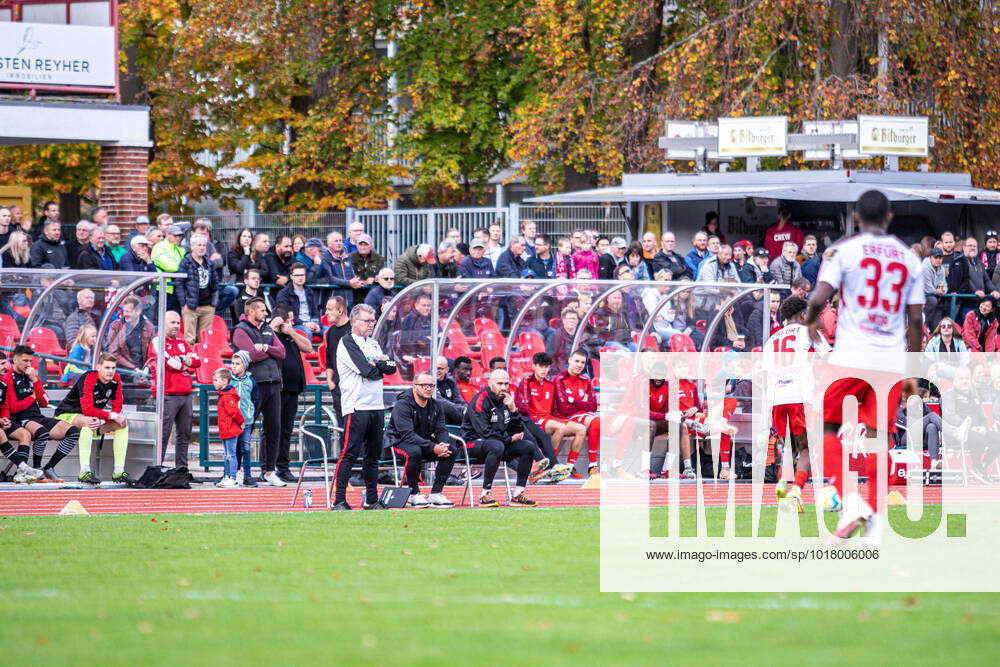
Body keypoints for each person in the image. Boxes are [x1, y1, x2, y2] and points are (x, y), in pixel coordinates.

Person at [805, 189, 924, 542]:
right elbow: (915, 322)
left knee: (824, 427)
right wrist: (912, 372)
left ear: (856, 216)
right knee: (879, 440)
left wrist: (811, 319)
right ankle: (874, 518)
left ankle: (852, 500)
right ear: (889, 217)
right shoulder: (909, 258)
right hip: (889, 362)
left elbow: (817, 298)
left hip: (851, 358)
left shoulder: (844, 251)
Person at [762, 296, 830, 506]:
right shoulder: (808, 330)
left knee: (790, 446)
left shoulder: (772, 339)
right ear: (802, 315)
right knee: (807, 448)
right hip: (799, 395)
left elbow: (764, 373)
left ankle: (782, 484)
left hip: (777, 398)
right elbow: (828, 356)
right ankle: (796, 490)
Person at [332, 304, 397, 510]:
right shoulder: (347, 342)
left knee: (373, 455)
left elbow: (391, 368)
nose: (371, 324)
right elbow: (369, 371)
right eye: (367, 321)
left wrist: (379, 365)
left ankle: (371, 498)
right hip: (356, 405)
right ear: (354, 321)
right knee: (349, 453)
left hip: (376, 405)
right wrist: (380, 365)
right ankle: (339, 500)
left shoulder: (373, 344)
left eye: (373, 320)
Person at [462, 370, 539, 507]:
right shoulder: (480, 401)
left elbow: (519, 430)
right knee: (496, 445)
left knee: (528, 446)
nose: (503, 387)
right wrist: (509, 440)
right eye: (499, 383)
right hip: (471, 444)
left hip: (498, 444)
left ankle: (518, 493)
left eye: (506, 384)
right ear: (490, 383)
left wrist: (514, 410)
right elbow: (485, 432)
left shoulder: (506, 401)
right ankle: (485, 494)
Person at [54, 353, 133, 486]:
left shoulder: (116, 379)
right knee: (89, 421)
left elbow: (117, 406)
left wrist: (105, 420)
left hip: (94, 418)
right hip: (66, 414)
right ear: (98, 367)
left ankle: (118, 472)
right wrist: (110, 416)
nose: (111, 371)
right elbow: (87, 409)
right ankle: (84, 471)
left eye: (113, 368)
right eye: (107, 367)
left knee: (122, 423)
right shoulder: (89, 378)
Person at [233, 297, 286, 487]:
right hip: (253, 385)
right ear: (251, 312)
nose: (266, 313)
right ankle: (236, 470)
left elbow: (282, 352)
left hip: (274, 383)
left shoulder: (267, 328)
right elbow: (250, 356)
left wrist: (266, 347)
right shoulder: (240, 329)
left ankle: (269, 471)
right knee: (246, 426)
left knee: (274, 428)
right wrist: (267, 350)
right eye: (262, 310)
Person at [386, 372, 459, 508]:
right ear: (414, 386)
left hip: (422, 443)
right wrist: (433, 447)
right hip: (397, 442)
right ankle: (413, 493)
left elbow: (441, 430)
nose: (428, 388)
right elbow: (407, 434)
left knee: (451, 450)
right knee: (414, 451)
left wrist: (442, 444)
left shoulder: (436, 405)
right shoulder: (402, 405)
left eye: (431, 385)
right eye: (424, 385)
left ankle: (436, 493)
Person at [514, 352, 581, 482]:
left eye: (546, 366)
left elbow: (555, 409)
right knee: (559, 428)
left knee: (580, 429)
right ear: (534, 367)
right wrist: (534, 422)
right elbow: (524, 408)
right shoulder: (526, 382)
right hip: (532, 418)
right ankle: (552, 466)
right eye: (541, 366)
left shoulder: (550, 385)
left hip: (548, 418)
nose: (544, 370)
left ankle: (564, 465)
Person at [148, 311, 200, 468]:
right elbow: (170, 364)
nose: (176, 326)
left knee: (184, 434)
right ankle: (156, 469)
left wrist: (184, 361)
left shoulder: (181, 340)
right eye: (173, 322)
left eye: (178, 323)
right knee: (163, 434)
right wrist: (186, 363)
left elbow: (197, 362)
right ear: (163, 323)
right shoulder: (157, 341)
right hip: (167, 394)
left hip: (185, 393)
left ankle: (182, 470)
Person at [271, 305, 312, 483]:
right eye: (289, 319)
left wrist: (292, 332)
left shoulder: (293, 335)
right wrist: (273, 328)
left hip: (293, 389)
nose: (292, 322)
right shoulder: (270, 334)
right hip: (275, 389)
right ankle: (268, 468)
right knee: (272, 430)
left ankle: (283, 467)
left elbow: (308, 348)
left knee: (286, 430)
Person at [552, 349, 601, 479]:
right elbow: (564, 409)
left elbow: (593, 406)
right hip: (564, 418)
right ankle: (592, 464)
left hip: (581, 416)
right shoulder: (559, 380)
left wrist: (573, 400)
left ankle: (575, 466)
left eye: (583, 363)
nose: (579, 365)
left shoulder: (585, 380)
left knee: (598, 422)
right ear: (569, 360)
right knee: (596, 422)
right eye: (577, 361)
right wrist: (583, 402)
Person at [177, 233, 219, 346]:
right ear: (192, 246)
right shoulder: (185, 262)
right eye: (199, 245)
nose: (201, 247)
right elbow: (179, 283)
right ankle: (189, 363)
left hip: (207, 305)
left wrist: (213, 303)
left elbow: (215, 283)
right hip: (190, 306)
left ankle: (202, 363)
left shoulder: (209, 263)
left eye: (204, 245)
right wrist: (184, 303)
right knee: (189, 339)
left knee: (205, 339)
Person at [212, 367, 245, 488]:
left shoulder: (227, 396)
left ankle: (232, 477)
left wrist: (241, 421)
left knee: (230, 455)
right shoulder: (223, 395)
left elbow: (234, 412)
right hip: (225, 430)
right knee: (227, 455)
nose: (213, 382)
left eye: (216, 380)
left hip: (230, 430)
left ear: (224, 381)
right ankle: (227, 476)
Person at [106, 296, 156, 375]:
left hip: (143, 374)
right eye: (124, 311)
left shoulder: (149, 327)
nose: (125, 314)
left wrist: (147, 367)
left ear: (138, 311)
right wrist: (133, 368)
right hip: (122, 372)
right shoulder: (116, 326)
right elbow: (113, 352)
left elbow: (153, 353)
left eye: (128, 311)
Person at [229, 351, 258, 486]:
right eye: (233, 363)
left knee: (245, 448)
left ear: (245, 366)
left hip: (246, 422)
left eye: (237, 364)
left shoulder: (251, 381)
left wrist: (250, 416)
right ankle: (229, 475)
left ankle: (247, 476)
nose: (234, 366)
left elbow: (254, 400)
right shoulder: (229, 381)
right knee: (231, 450)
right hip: (232, 422)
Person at [324, 296, 352, 425]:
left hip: (353, 386)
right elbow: (329, 358)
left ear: (340, 311)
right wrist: (330, 381)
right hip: (337, 387)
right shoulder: (330, 332)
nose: (326, 313)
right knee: (341, 426)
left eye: (329, 309)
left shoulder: (354, 329)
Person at [152, 221, 190, 313]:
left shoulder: (179, 249)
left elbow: (188, 264)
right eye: (175, 236)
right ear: (167, 235)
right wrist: (183, 266)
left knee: (175, 316)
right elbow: (170, 266)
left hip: (176, 288)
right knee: (163, 317)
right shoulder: (159, 247)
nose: (178, 238)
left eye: (180, 236)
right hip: (163, 288)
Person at [276, 262, 321, 337]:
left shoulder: (309, 291)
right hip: (296, 325)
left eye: (302, 275)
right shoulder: (284, 294)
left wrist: (317, 324)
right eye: (297, 275)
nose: (300, 278)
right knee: (308, 333)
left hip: (311, 323)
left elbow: (315, 311)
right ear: (291, 276)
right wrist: (304, 324)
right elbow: (286, 316)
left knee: (328, 331)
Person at [326, 231, 362, 306]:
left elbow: (353, 275)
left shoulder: (347, 257)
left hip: (349, 299)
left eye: (340, 241)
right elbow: (330, 278)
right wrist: (349, 283)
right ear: (329, 244)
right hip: (333, 300)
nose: (339, 243)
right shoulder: (325, 258)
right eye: (336, 241)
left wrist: (358, 281)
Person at [435, 356, 466, 425]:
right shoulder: (429, 382)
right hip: (438, 419)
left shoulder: (451, 382)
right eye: (434, 368)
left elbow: (459, 400)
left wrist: (468, 409)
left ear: (447, 370)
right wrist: (463, 410)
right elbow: (441, 403)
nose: (436, 371)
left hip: (453, 416)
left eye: (440, 368)